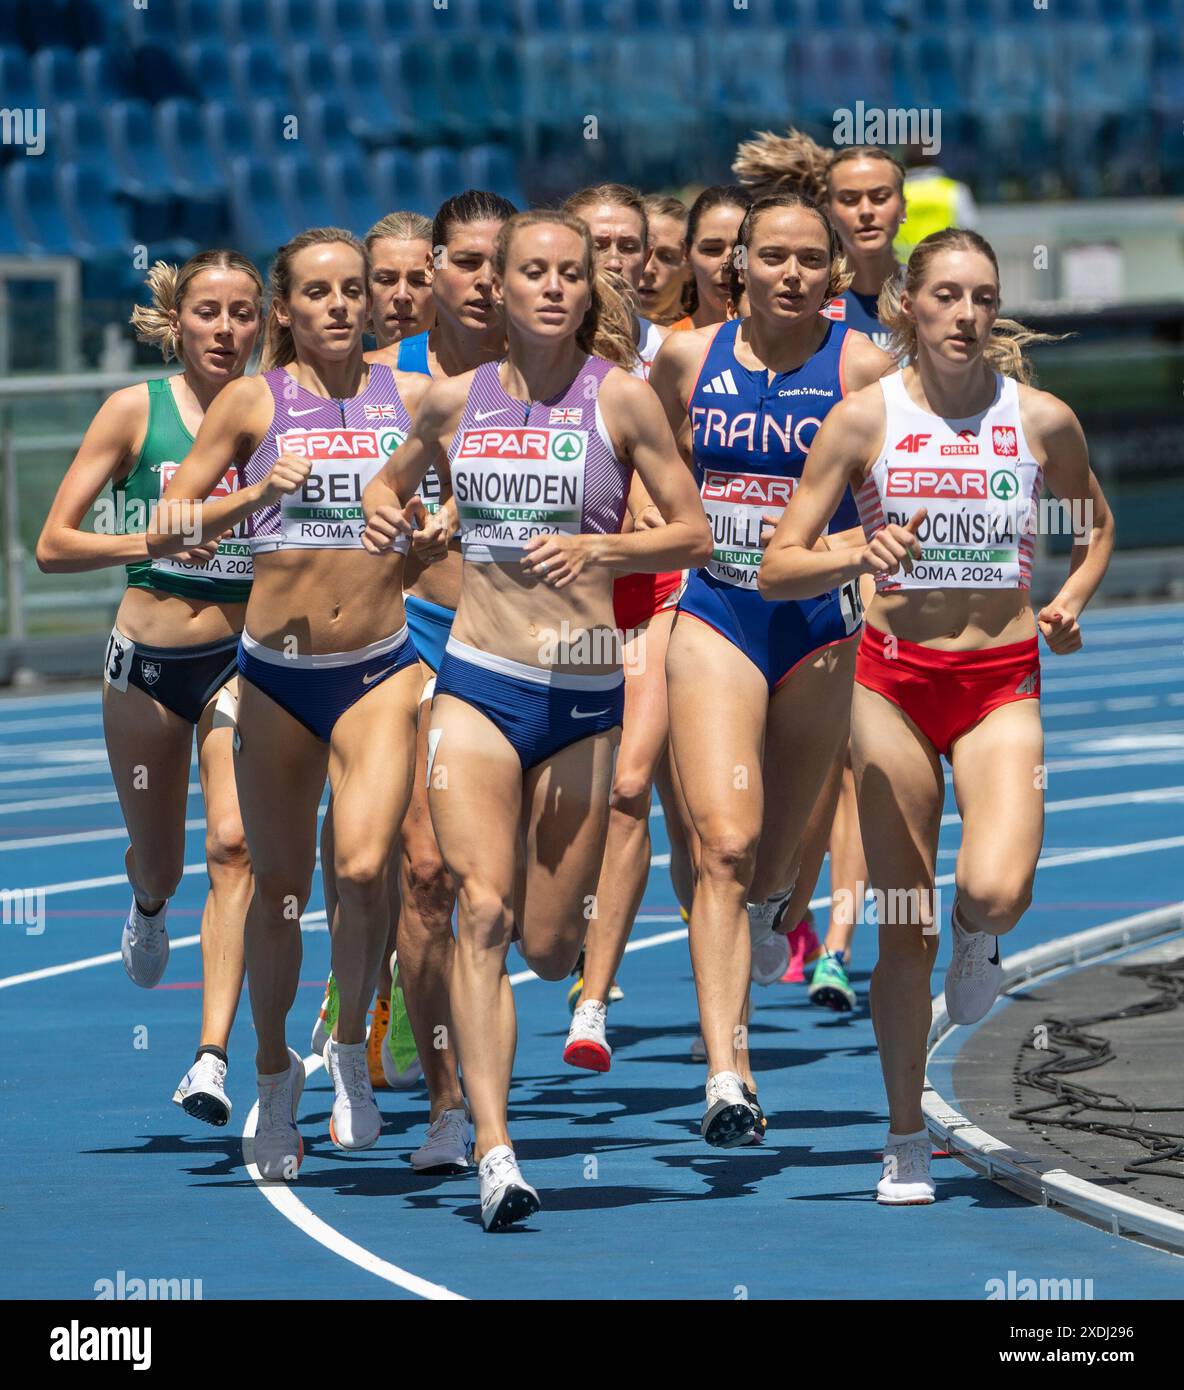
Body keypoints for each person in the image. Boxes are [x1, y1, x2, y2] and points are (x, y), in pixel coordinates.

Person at [361, 209, 711, 1229]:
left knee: (551, 945)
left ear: (588, 291)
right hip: (477, 678)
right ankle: (493, 1145)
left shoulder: (623, 400)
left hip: (584, 686)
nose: (553, 288)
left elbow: (692, 533)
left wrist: (604, 551)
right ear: (499, 290)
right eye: (534, 273)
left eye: (570, 273)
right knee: (476, 907)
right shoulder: (451, 401)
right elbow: (385, 491)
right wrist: (401, 520)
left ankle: (531, 1012)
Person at [759, 227, 1113, 1202]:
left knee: (995, 890)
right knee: (901, 926)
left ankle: (977, 932)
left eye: (982, 298)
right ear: (907, 305)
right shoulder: (862, 421)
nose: (965, 314)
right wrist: (856, 554)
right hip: (892, 685)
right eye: (946, 295)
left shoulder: (1038, 420)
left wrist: (1068, 600)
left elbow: (1091, 527)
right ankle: (905, 1133)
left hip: (999, 680)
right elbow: (779, 563)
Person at [149, 227, 429, 1181]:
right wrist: (255, 492)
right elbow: (169, 524)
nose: (340, 305)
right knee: (277, 891)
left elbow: (463, 509)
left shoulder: (412, 398)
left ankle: (348, 1044)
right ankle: (274, 1079)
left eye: (353, 289)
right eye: (318, 292)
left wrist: (431, 529)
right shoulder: (253, 401)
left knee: (364, 866)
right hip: (274, 674)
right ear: (287, 309)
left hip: (379, 669)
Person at [651, 191, 892, 1146]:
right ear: (737, 264)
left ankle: (766, 920)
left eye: (811, 260)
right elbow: (652, 463)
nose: (792, 275)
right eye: (774, 256)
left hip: (823, 625)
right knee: (723, 842)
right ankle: (726, 1074)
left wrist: (872, 560)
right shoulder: (686, 359)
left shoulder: (863, 367)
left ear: (834, 274)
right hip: (719, 612)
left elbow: (900, 486)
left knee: (781, 870)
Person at [36, 252, 262, 1127]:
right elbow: (54, 544)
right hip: (148, 666)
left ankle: (210, 1057)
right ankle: (148, 900)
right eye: (208, 312)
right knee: (163, 859)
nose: (226, 330)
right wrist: (152, 543)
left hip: (245, 661)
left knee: (234, 847)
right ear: (178, 322)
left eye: (244, 312)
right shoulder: (136, 411)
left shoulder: (279, 411)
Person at [734, 129, 911, 1004]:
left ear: (903, 207)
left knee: (864, 763)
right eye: (850, 198)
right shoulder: (804, 308)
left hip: (879, 563)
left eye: (881, 196)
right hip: (784, 567)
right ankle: (781, 908)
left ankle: (833, 939)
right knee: (807, 774)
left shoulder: (926, 300)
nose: (866, 210)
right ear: (827, 210)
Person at [374, 190, 518, 1173]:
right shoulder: (385, 382)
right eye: (466, 261)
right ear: (432, 268)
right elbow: (340, 511)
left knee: (532, 921)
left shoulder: (569, 378)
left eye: (501, 264)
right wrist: (394, 534)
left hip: (537, 650)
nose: (485, 281)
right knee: (425, 875)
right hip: (421, 641)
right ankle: (447, 1102)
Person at [557, 183, 693, 1071]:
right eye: (593, 244)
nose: (612, 260)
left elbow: (688, 497)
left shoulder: (675, 358)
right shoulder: (512, 365)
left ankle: (594, 1001)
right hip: (545, 614)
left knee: (629, 789)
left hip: (650, 598)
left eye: (626, 244)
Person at [312, 209, 436, 1089]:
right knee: (371, 833)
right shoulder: (351, 379)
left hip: (478, 627)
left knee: (433, 852)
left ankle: (411, 983)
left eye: (415, 278)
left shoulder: (462, 379)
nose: (398, 295)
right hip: (378, 631)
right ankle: (364, 983)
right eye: (381, 279)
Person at [668, 185, 752, 332]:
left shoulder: (788, 343)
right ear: (687, 253)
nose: (729, 263)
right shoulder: (664, 343)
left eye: (740, 248)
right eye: (712, 249)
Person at [638, 194, 690, 328]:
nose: (648, 269)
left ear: (691, 268)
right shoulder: (594, 334)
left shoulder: (708, 337)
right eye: (638, 251)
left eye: (666, 257)